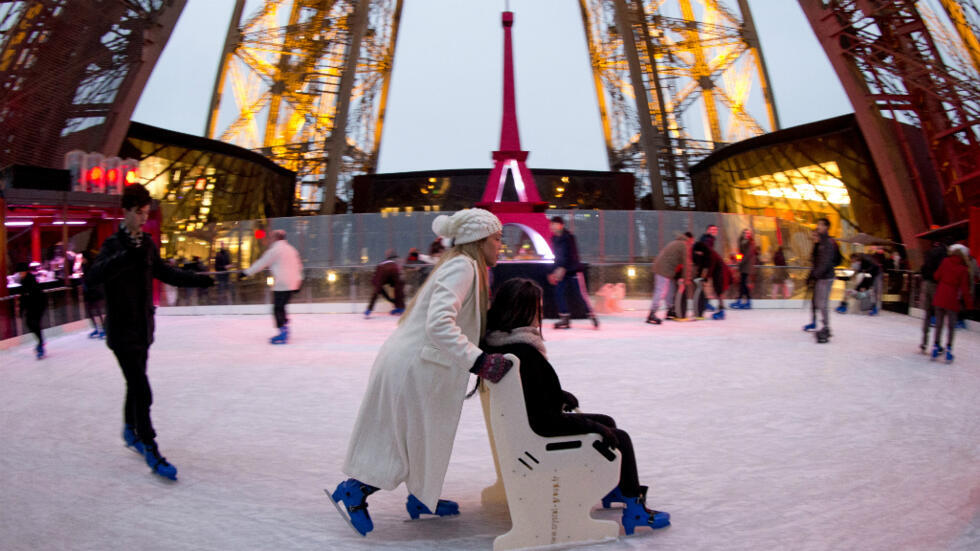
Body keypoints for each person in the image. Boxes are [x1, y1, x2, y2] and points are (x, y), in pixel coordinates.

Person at [329, 208, 512, 537]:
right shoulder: (463, 266)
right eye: (497, 239)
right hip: (415, 366)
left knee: (425, 437)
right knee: (400, 440)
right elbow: (440, 322)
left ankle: (421, 497)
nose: (501, 245)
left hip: (422, 364)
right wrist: (478, 360)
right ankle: (354, 490)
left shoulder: (465, 265)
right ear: (479, 239)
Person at [482, 278, 670, 535]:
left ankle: (616, 485)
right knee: (620, 438)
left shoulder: (505, 345)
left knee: (608, 421)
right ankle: (635, 507)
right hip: (538, 433)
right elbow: (545, 418)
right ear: (522, 310)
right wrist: (589, 426)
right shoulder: (524, 352)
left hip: (530, 425)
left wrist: (558, 395)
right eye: (537, 307)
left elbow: (532, 393)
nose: (541, 313)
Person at [87, 183, 214, 480]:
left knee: (135, 384)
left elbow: (166, 273)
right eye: (140, 213)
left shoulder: (145, 244)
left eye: (146, 213)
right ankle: (149, 444)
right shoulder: (113, 246)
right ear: (127, 212)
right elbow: (90, 279)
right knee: (142, 389)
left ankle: (129, 428)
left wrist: (199, 280)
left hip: (143, 329)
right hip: (121, 333)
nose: (144, 219)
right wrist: (122, 259)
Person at [242, 229, 303, 344]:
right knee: (282, 306)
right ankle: (285, 328)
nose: (270, 239)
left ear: (275, 238)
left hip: (282, 283)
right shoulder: (292, 249)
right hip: (292, 283)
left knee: (277, 308)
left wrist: (246, 272)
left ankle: (283, 332)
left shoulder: (275, 250)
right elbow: (299, 266)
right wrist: (298, 281)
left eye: (271, 237)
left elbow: (262, 263)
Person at [548, 216, 598, 329]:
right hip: (561, 272)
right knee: (558, 293)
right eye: (551, 225)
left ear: (561, 225)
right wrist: (553, 271)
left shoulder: (569, 237)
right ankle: (564, 318)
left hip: (573, 271)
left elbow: (572, 255)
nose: (552, 227)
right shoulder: (554, 239)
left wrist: (563, 268)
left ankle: (592, 315)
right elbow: (557, 257)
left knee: (581, 295)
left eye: (554, 224)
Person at [930, 244, 974, 363]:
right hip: (952, 299)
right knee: (950, 327)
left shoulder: (945, 262)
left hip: (940, 296)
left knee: (938, 324)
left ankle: (935, 347)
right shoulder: (963, 269)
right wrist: (969, 304)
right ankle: (949, 349)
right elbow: (965, 289)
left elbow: (936, 276)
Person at [803, 218, 841, 342]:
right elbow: (819, 261)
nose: (818, 226)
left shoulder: (828, 242)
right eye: (818, 224)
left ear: (826, 227)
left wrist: (815, 274)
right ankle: (824, 326)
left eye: (820, 224)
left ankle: (826, 327)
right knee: (819, 303)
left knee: (822, 304)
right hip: (821, 276)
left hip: (826, 277)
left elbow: (826, 262)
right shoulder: (822, 242)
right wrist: (813, 275)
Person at [647, 232, 693, 324]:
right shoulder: (683, 245)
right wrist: (686, 280)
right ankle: (652, 313)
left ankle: (670, 310)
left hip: (663, 268)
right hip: (664, 269)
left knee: (670, 290)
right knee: (661, 291)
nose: (692, 244)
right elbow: (686, 263)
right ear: (689, 240)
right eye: (692, 242)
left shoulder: (675, 243)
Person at [692, 234, 730, 320]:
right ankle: (709, 306)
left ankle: (721, 310)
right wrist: (699, 276)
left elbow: (709, 267)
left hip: (720, 270)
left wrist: (704, 277)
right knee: (714, 289)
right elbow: (701, 266)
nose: (698, 254)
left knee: (718, 289)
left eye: (699, 252)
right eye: (697, 253)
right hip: (714, 270)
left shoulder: (710, 255)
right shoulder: (700, 254)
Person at [918, 241, 947, 352]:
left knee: (927, 313)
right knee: (939, 314)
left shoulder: (929, 253)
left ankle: (924, 342)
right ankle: (937, 344)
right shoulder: (943, 254)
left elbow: (922, 268)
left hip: (926, 284)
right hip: (936, 285)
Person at [15, 262, 47, 359]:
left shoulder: (30, 280)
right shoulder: (24, 280)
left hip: (38, 305)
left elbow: (29, 295)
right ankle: (41, 342)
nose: (20, 274)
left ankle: (41, 344)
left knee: (34, 323)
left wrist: (22, 309)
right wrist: (21, 310)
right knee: (31, 323)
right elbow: (23, 297)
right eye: (19, 273)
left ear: (25, 271)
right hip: (32, 306)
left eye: (21, 272)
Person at [364, 249, 405, 317]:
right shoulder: (396, 262)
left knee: (377, 290)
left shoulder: (381, 265)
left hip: (383, 270)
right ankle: (400, 307)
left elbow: (377, 286)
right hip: (394, 270)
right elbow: (400, 282)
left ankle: (369, 309)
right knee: (398, 287)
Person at [81, 249, 105, 339]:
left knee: (98, 310)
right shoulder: (84, 266)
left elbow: (97, 277)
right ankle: (96, 327)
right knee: (89, 310)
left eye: (82, 258)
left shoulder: (93, 266)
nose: (81, 259)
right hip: (88, 291)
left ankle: (103, 328)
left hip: (95, 290)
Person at [732, 229, 756, 309]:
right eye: (745, 233)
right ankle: (746, 301)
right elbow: (741, 253)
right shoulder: (742, 241)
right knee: (743, 283)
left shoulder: (750, 243)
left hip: (747, 265)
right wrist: (738, 259)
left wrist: (740, 262)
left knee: (743, 283)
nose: (747, 234)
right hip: (743, 265)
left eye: (748, 233)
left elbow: (747, 255)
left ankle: (741, 300)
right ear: (743, 234)